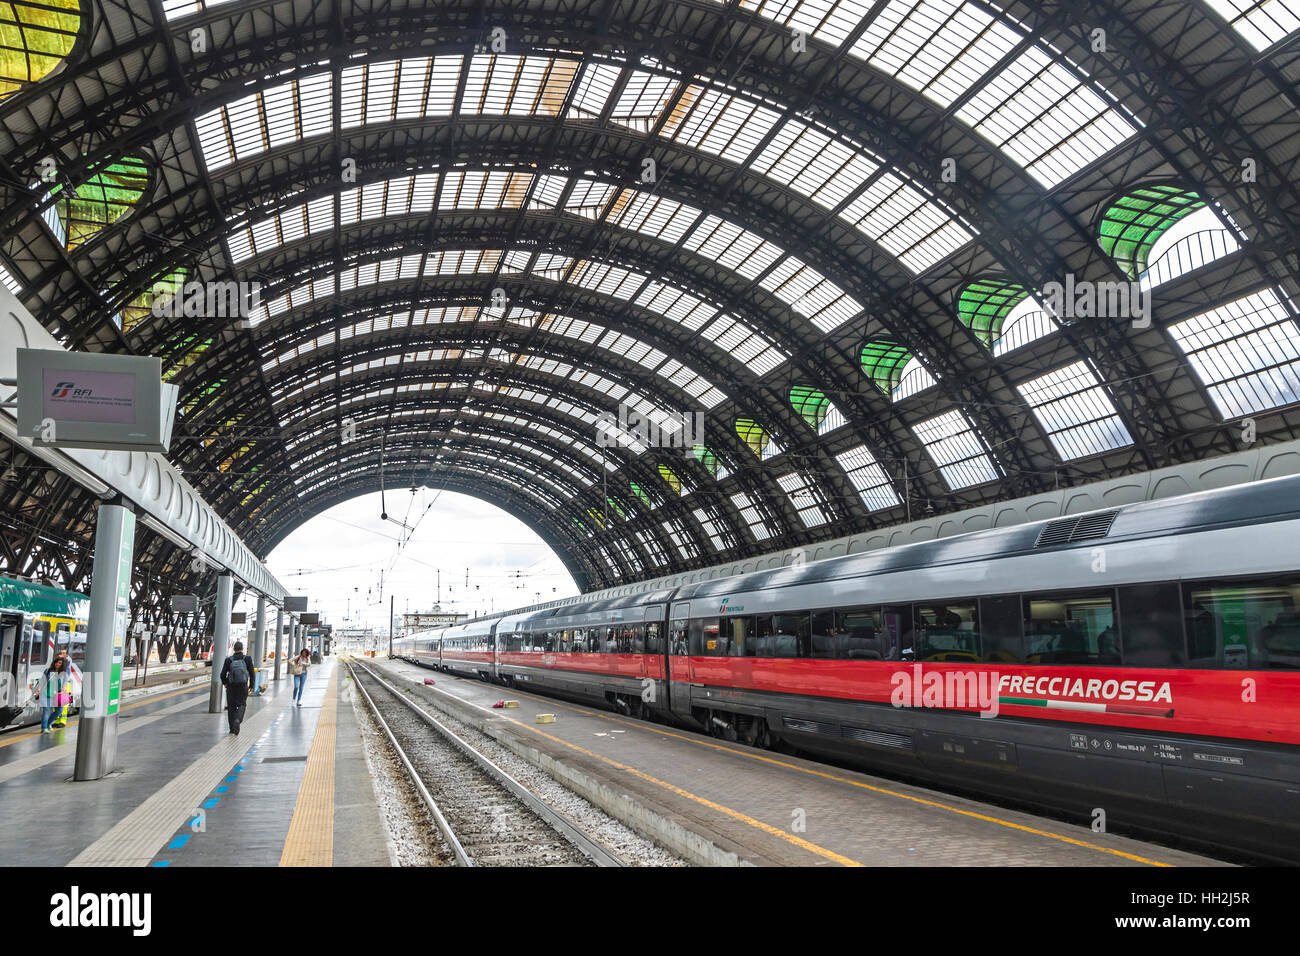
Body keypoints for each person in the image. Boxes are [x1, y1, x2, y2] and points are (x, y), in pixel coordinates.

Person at [220, 641, 255, 734]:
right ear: (242, 649)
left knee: (231, 707)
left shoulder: (229, 660)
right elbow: (252, 673)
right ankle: (238, 720)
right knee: (242, 704)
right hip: (243, 686)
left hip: (231, 686)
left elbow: (222, 674)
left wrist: (225, 683)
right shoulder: (247, 659)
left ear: (234, 649)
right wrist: (251, 685)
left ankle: (232, 728)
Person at [38, 656, 70, 734]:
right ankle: (44, 728)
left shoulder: (63, 674)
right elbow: (42, 681)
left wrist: (64, 689)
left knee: (59, 710)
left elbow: (65, 684)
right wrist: (39, 690)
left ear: (62, 665)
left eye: (60, 663)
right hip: (47, 693)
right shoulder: (48, 671)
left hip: (58, 695)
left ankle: (49, 723)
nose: (57, 664)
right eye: (56, 662)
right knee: (47, 711)